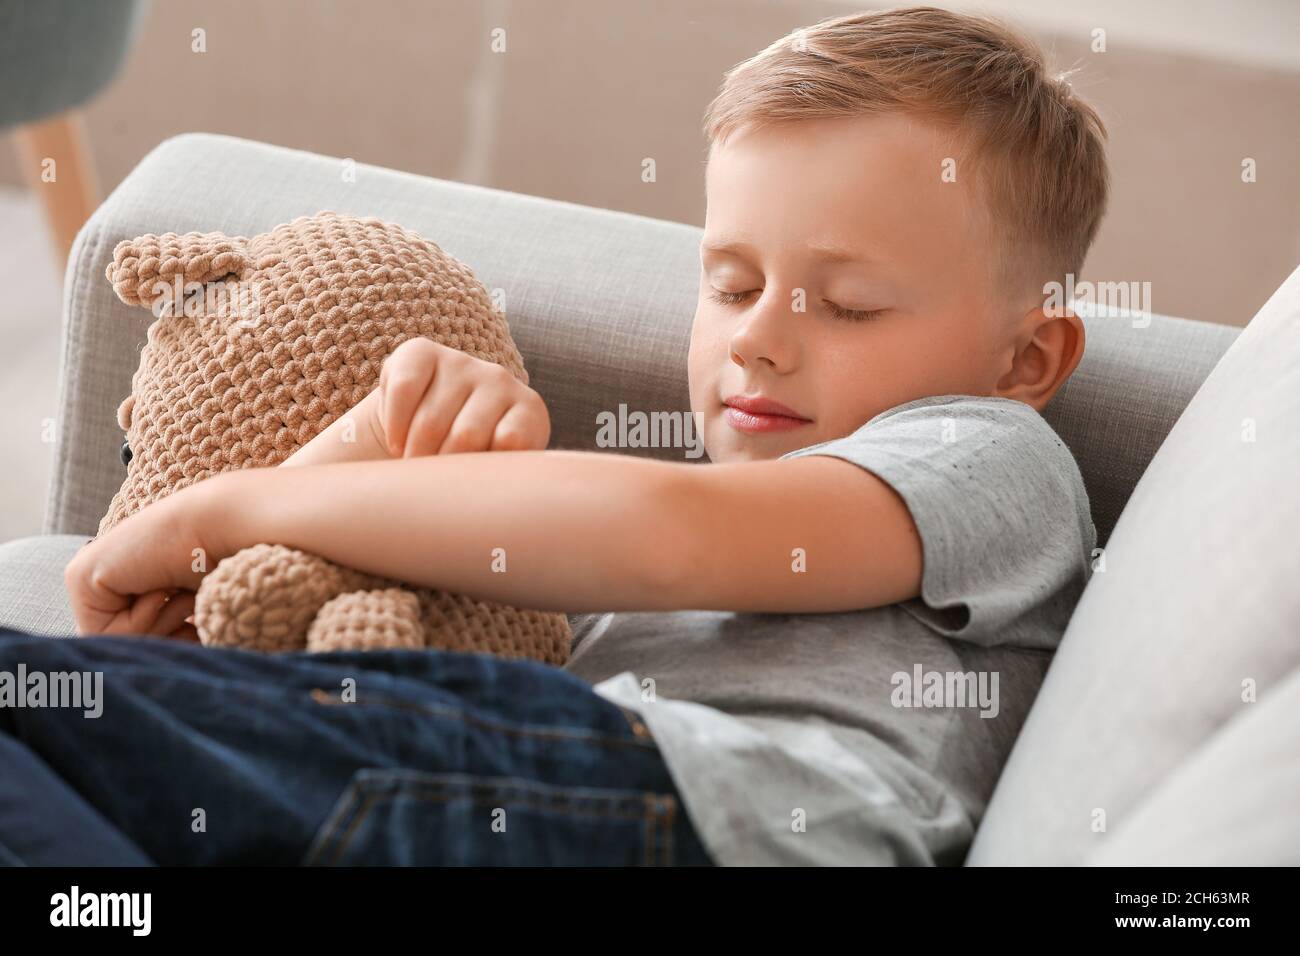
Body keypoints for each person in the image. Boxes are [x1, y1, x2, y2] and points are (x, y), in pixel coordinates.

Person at [5, 6, 1107, 866]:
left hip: (706, 808)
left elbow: (669, 534)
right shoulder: (634, 553)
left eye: (851, 304)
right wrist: (368, 441)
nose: (759, 341)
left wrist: (217, 508)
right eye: (729, 285)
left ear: (1026, 362)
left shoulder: (989, 452)